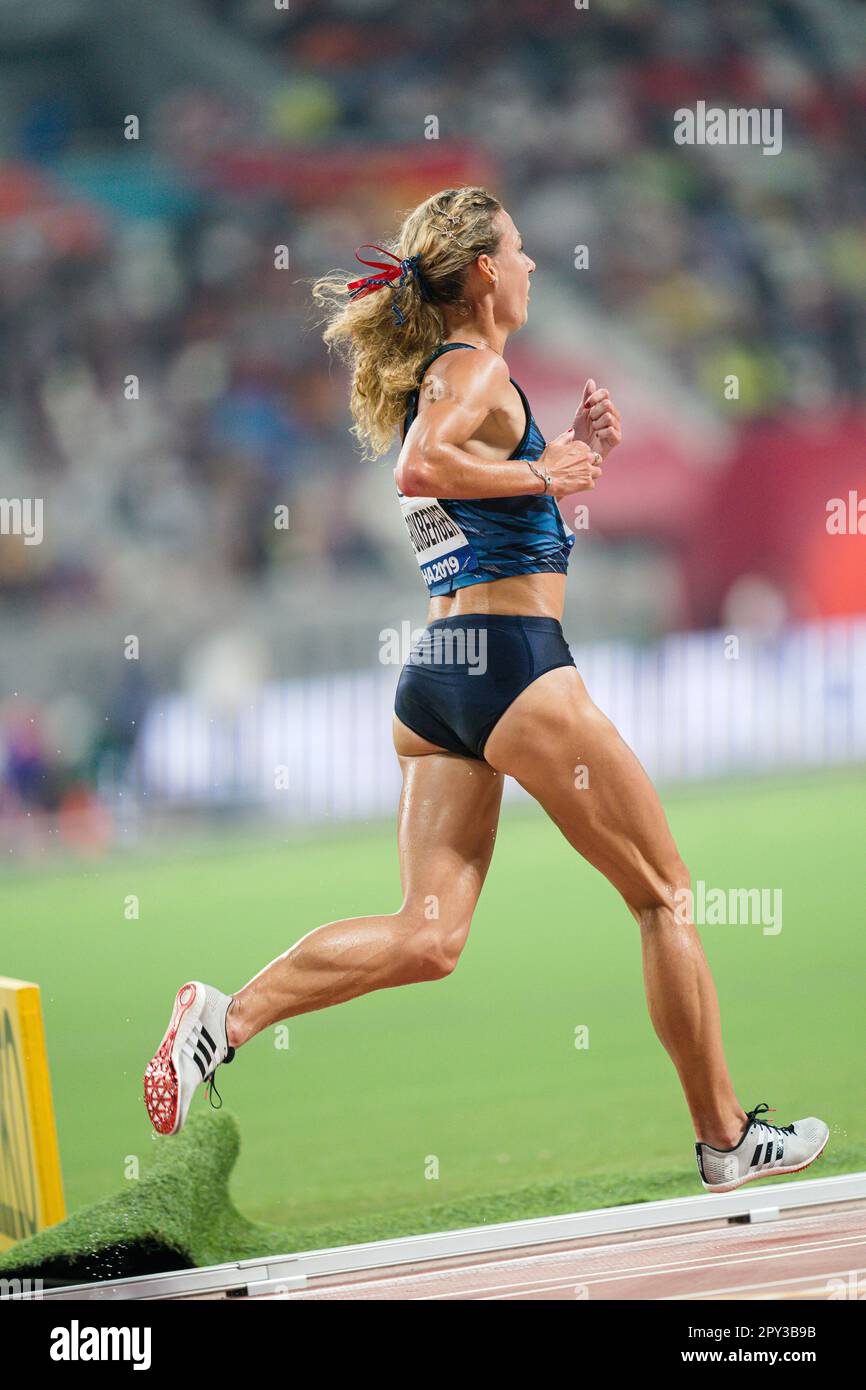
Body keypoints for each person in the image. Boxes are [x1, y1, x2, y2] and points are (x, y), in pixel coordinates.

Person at [144, 187, 827, 1194]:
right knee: (664, 894)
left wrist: (561, 455)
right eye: (518, 250)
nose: (532, 265)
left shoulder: (456, 376)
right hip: (513, 667)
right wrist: (546, 472)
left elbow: (463, 473)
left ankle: (223, 1017)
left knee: (428, 934)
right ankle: (724, 1138)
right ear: (480, 274)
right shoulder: (473, 366)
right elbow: (422, 469)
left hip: (438, 683)